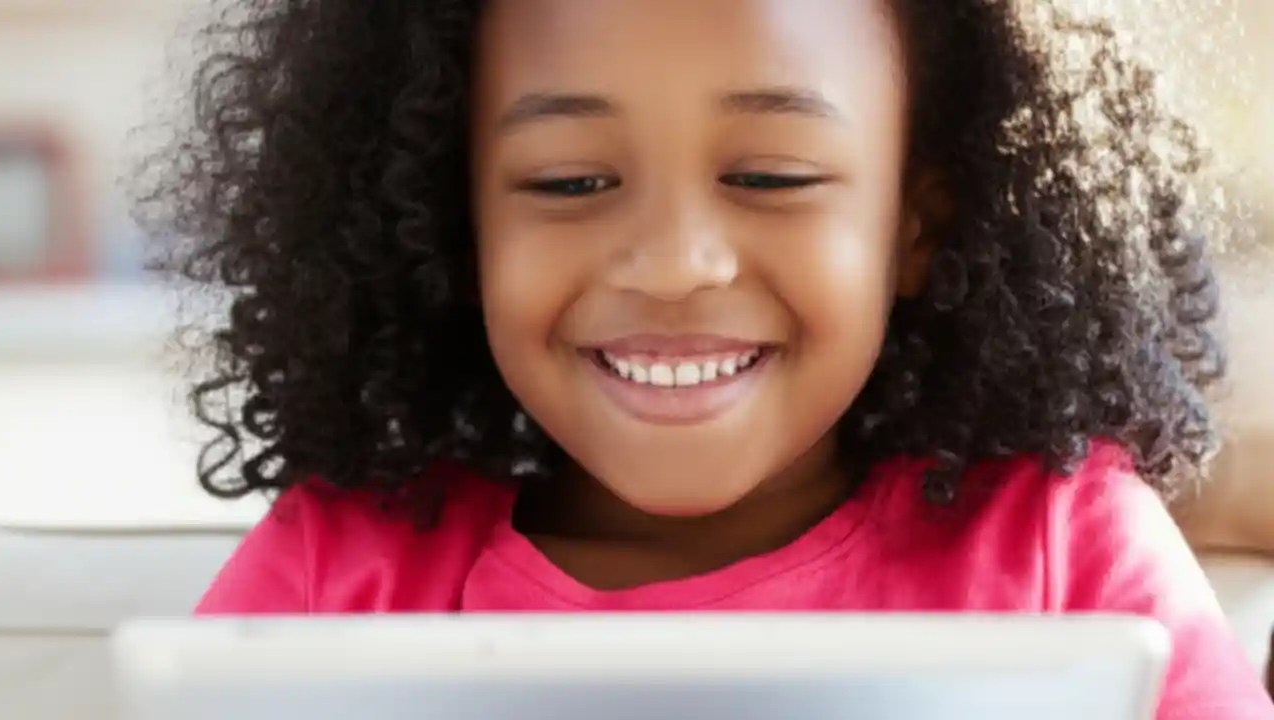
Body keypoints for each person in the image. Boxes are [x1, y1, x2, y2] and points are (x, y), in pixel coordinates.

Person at [136, 0, 1273, 716]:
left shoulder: (1063, 554)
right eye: (571, 181)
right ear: (452, 228)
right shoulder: (336, 579)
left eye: (769, 177)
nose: (675, 264)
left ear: (915, 229)